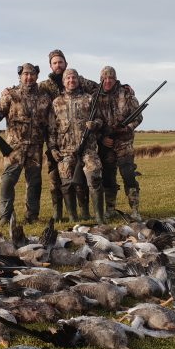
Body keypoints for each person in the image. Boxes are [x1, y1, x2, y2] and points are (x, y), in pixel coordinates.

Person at [0, 63, 53, 225]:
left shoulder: (45, 98)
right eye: (25, 74)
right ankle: (5, 216)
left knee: (34, 183)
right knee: (8, 181)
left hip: (35, 147)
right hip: (14, 148)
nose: (29, 77)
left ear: (37, 76)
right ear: (20, 76)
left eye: (32, 74)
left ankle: (32, 216)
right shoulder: (10, 95)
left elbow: (49, 124)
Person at [40, 49, 99, 222]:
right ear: (51, 66)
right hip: (61, 146)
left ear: (66, 63)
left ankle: (88, 213)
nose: (58, 65)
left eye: (61, 62)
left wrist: (122, 86)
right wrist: (52, 147)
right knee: (58, 181)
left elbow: (103, 86)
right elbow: (51, 127)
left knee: (83, 180)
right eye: (55, 63)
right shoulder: (46, 87)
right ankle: (60, 214)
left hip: (84, 145)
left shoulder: (84, 89)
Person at [96, 65, 143, 220]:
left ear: (115, 79)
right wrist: (102, 138)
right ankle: (110, 209)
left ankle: (135, 210)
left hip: (124, 143)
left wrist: (127, 128)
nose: (108, 81)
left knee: (128, 175)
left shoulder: (126, 94)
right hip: (107, 144)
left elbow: (138, 117)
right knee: (108, 177)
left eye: (111, 78)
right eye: (105, 78)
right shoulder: (96, 97)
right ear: (101, 79)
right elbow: (93, 122)